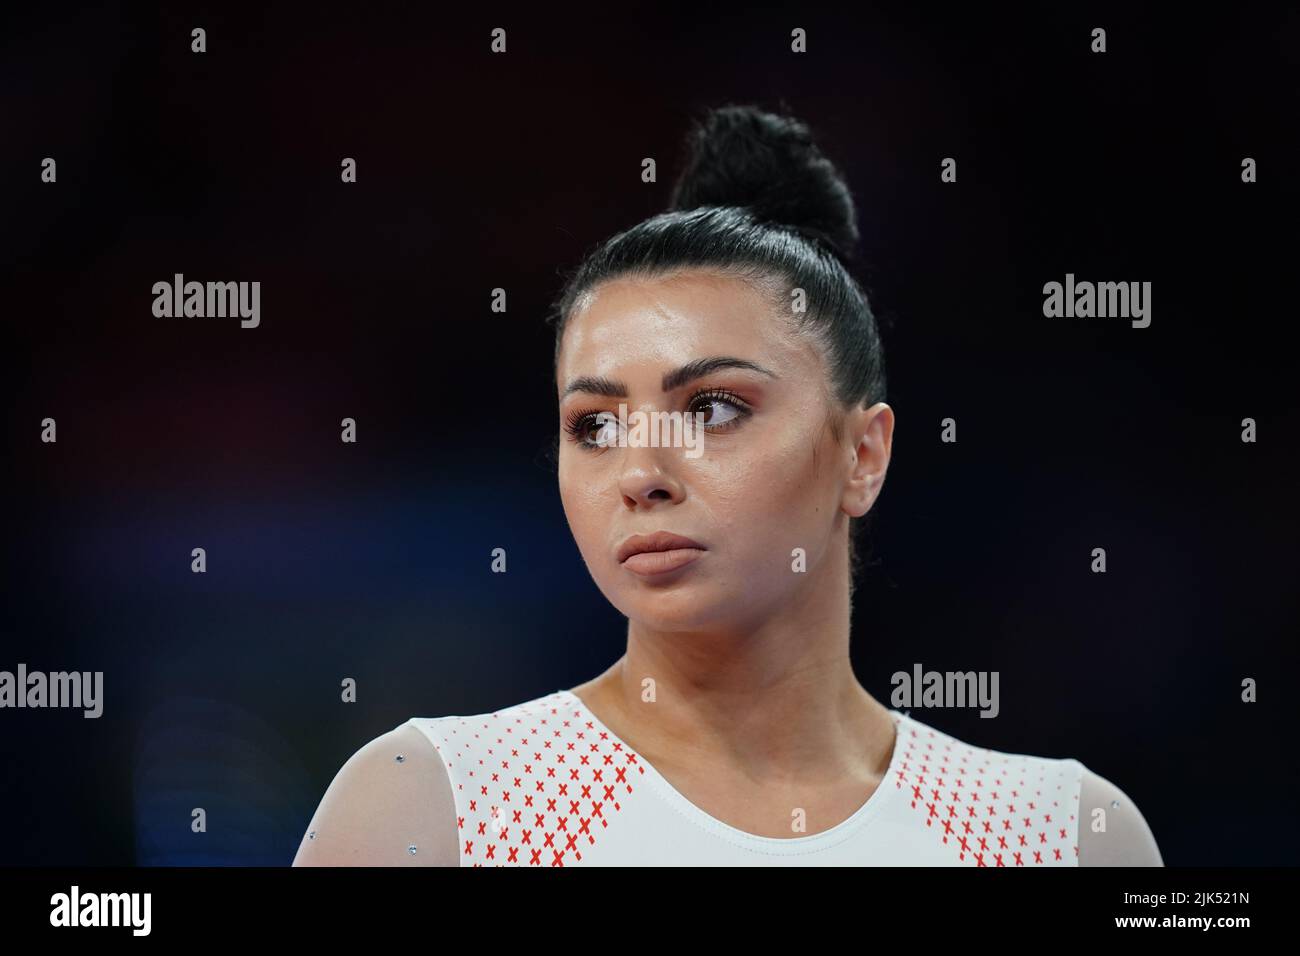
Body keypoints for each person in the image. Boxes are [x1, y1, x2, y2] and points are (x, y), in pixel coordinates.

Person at [294, 103, 1161, 867]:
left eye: (712, 408)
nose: (639, 474)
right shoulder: (436, 806)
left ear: (863, 455)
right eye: (594, 425)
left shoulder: (1066, 836)